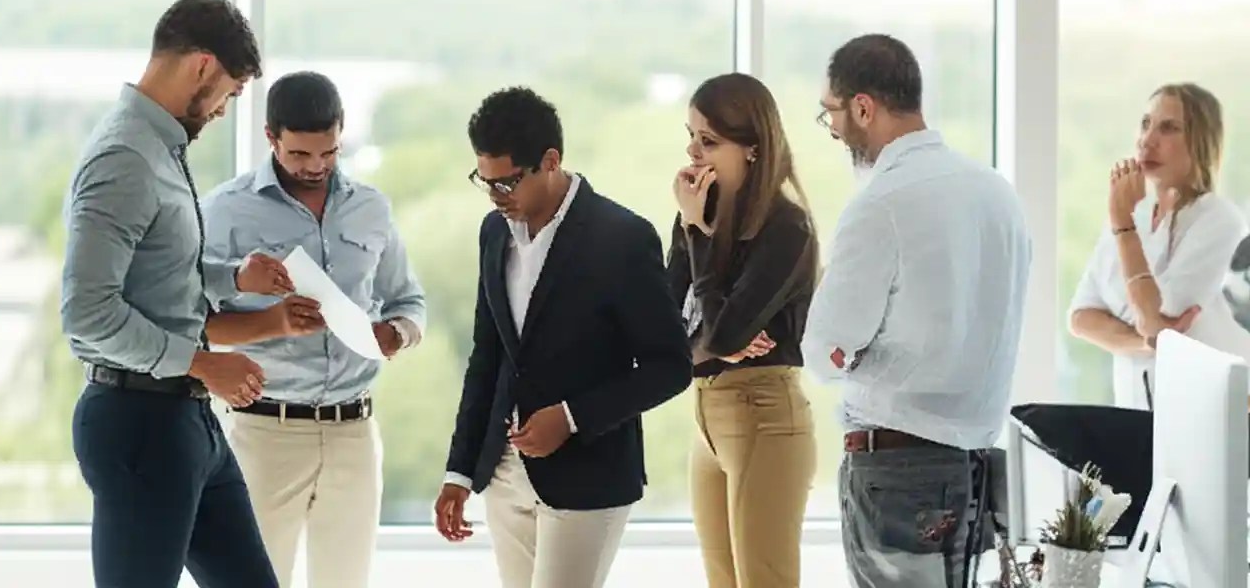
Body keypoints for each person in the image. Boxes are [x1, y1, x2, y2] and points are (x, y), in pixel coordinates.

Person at [60, 0, 281, 587]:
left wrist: (235, 277)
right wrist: (204, 362)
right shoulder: (124, 158)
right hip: (138, 422)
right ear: (203, 66)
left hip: (187, 422)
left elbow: (160, 267)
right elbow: (88, 312)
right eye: (230, 93)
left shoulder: (159, 147)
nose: (223, 110)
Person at [433, 87, 692, 588]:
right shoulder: (493, 232)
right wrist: (459, 473)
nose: (495, 197)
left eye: (506, 183)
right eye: (483, 182)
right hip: (505, 474)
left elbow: (670, 367)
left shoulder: (623, 237)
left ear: (550, 161)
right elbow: (487, 357)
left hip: (588, 478)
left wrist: (572, 417)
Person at [801, 34, 1031, 586]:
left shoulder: (880, 203)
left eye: (829, 113)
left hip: (897, 469)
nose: (832, 129)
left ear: (862, 107)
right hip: (977, 466)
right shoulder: (997, 194)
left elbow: (824, 352)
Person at [199, 70, 427, 588]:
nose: (316, 167)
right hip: (263, 432)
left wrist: (399, 333)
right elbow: (195, 326)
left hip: (355, 432)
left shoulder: (371, 208)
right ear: (270, 137)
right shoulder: (224, 212)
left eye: (328, 153)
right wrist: (271, 322)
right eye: (300, 155)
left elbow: (408, 299)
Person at [665, 73, 819, 588]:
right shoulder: (695, 214)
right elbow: (665, 334)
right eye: (690, 135)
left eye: (709, 140)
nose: (692, 151)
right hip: (707, 418)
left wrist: (697, 235)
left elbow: (725, 337)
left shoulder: (786, 228)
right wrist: (710, 340)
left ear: (752, 148)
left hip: (765, 415)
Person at [1068, 83, 1250, 409]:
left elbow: (1153, 319)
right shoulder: (1132, 214)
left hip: (1199, 412)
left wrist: (1122, 226)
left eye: (1168, 128)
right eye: (1145, 124)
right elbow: (1081, 319)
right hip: (1134, 410)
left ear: (1201, 140)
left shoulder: (1221, 221)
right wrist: (1148, 343)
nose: (1147, 140)